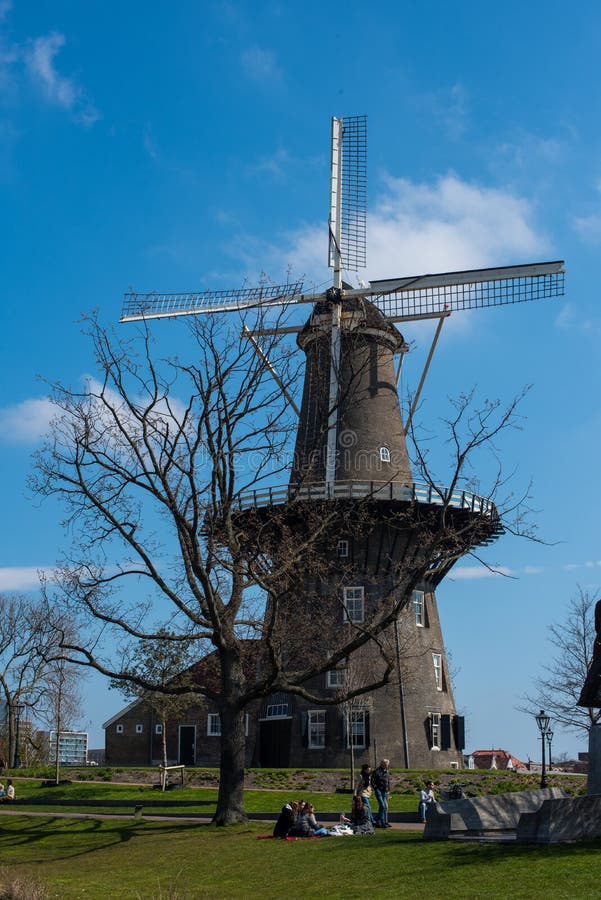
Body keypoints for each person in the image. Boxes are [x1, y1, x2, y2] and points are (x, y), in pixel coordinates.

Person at [371, 758, 391, 828]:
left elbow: (388, 781)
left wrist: (389, 789)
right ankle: (380, 820)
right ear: (382, 764)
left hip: (385, 791)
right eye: (385, 764)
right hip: (379, 790)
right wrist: (376, 788)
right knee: (382, 805)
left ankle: (379, 821)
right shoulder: (376, 771)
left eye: (387, 765)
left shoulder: (387, 771)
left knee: (384, 807)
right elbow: (372, 781)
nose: (386, 766)